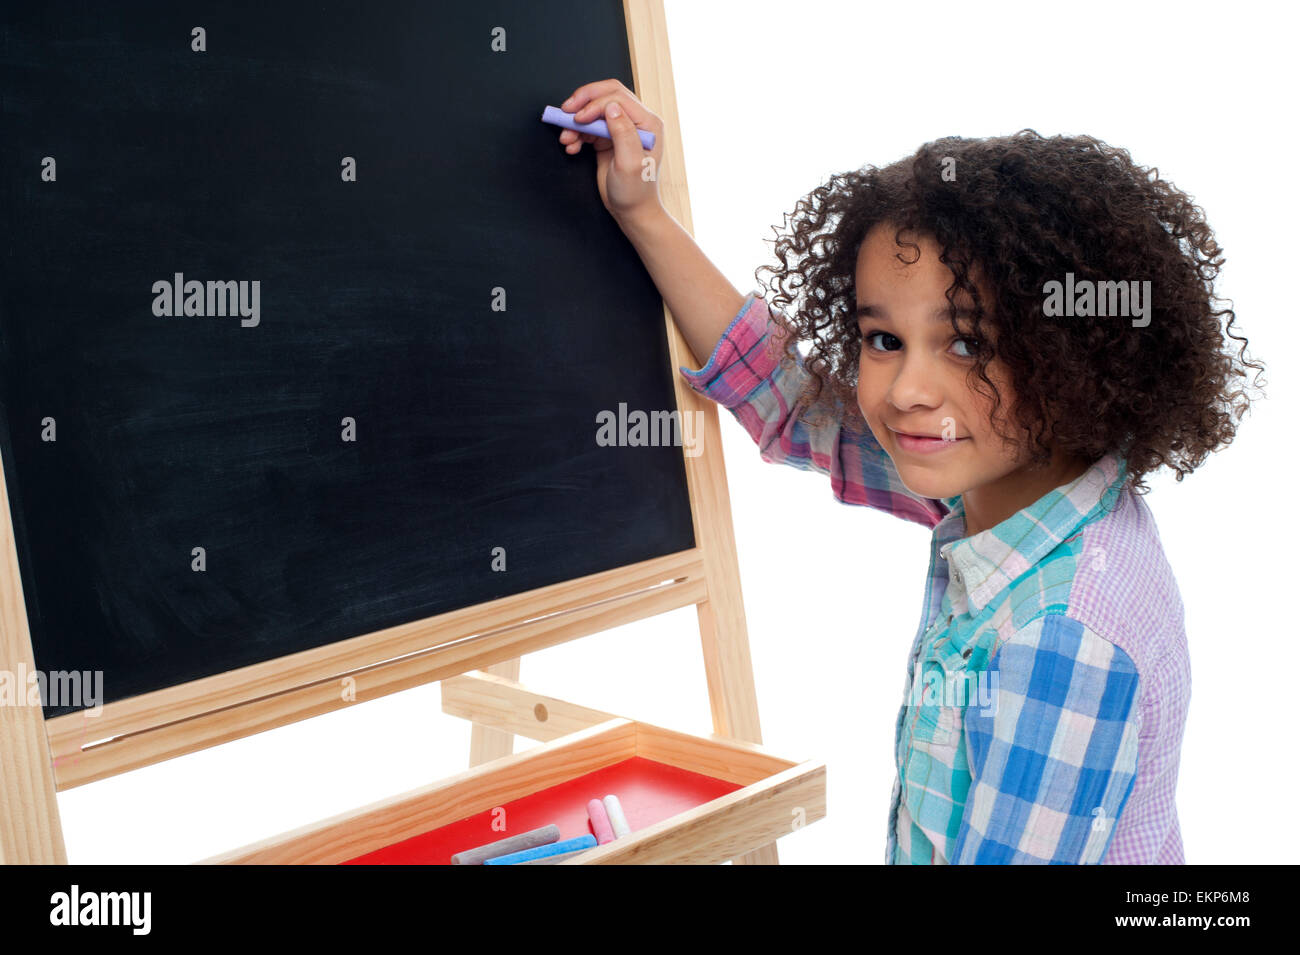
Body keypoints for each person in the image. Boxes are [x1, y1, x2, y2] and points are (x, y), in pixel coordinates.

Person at [553, 80, 1264, 864]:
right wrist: (641, 212)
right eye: (883, 340)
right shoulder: (1019, 488)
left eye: (966, 343)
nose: (907, 391)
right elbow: (794, 405)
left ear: (1074, 354)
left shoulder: (1061, 638)